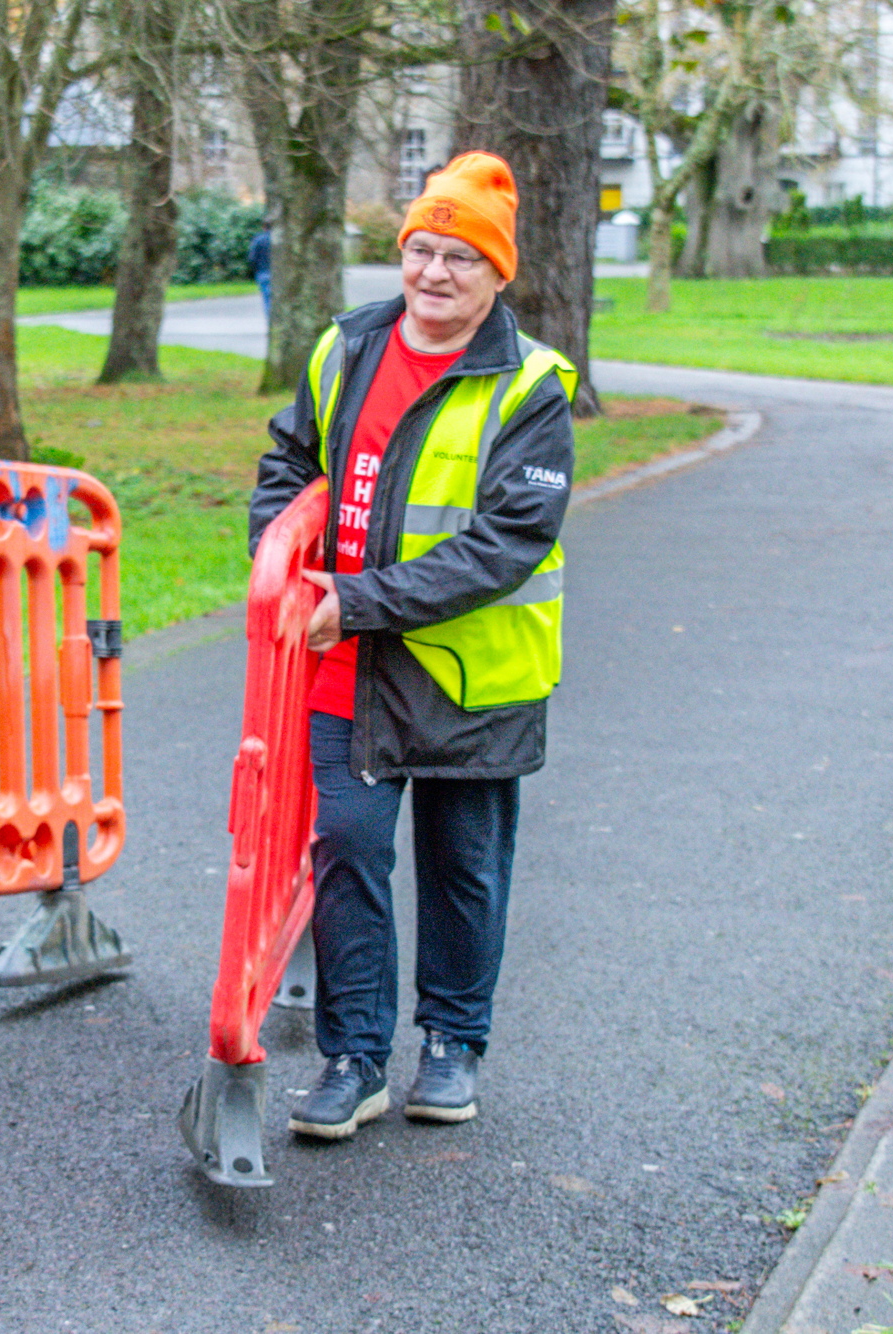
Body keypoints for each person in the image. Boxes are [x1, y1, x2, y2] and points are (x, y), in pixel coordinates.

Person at [246, 152, 575, 1138]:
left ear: (496, 273)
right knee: (344, 844)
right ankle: (352, 1055)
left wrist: (357, 599)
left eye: (459, 258)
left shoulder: (530, 388)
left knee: (461, 860)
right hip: (347, 662)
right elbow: (286, 464)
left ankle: (451, 1039)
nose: (433, 274)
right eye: (420, 251)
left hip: (471, 672)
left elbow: (504, 545)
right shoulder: (342, 348)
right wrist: (282, 563)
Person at [248, 224, 273, 320]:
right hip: (279, 274)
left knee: (267, 300)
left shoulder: (259, 240)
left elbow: (252, 258)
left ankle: (270, 321)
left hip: (263, 272)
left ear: (263, 227)